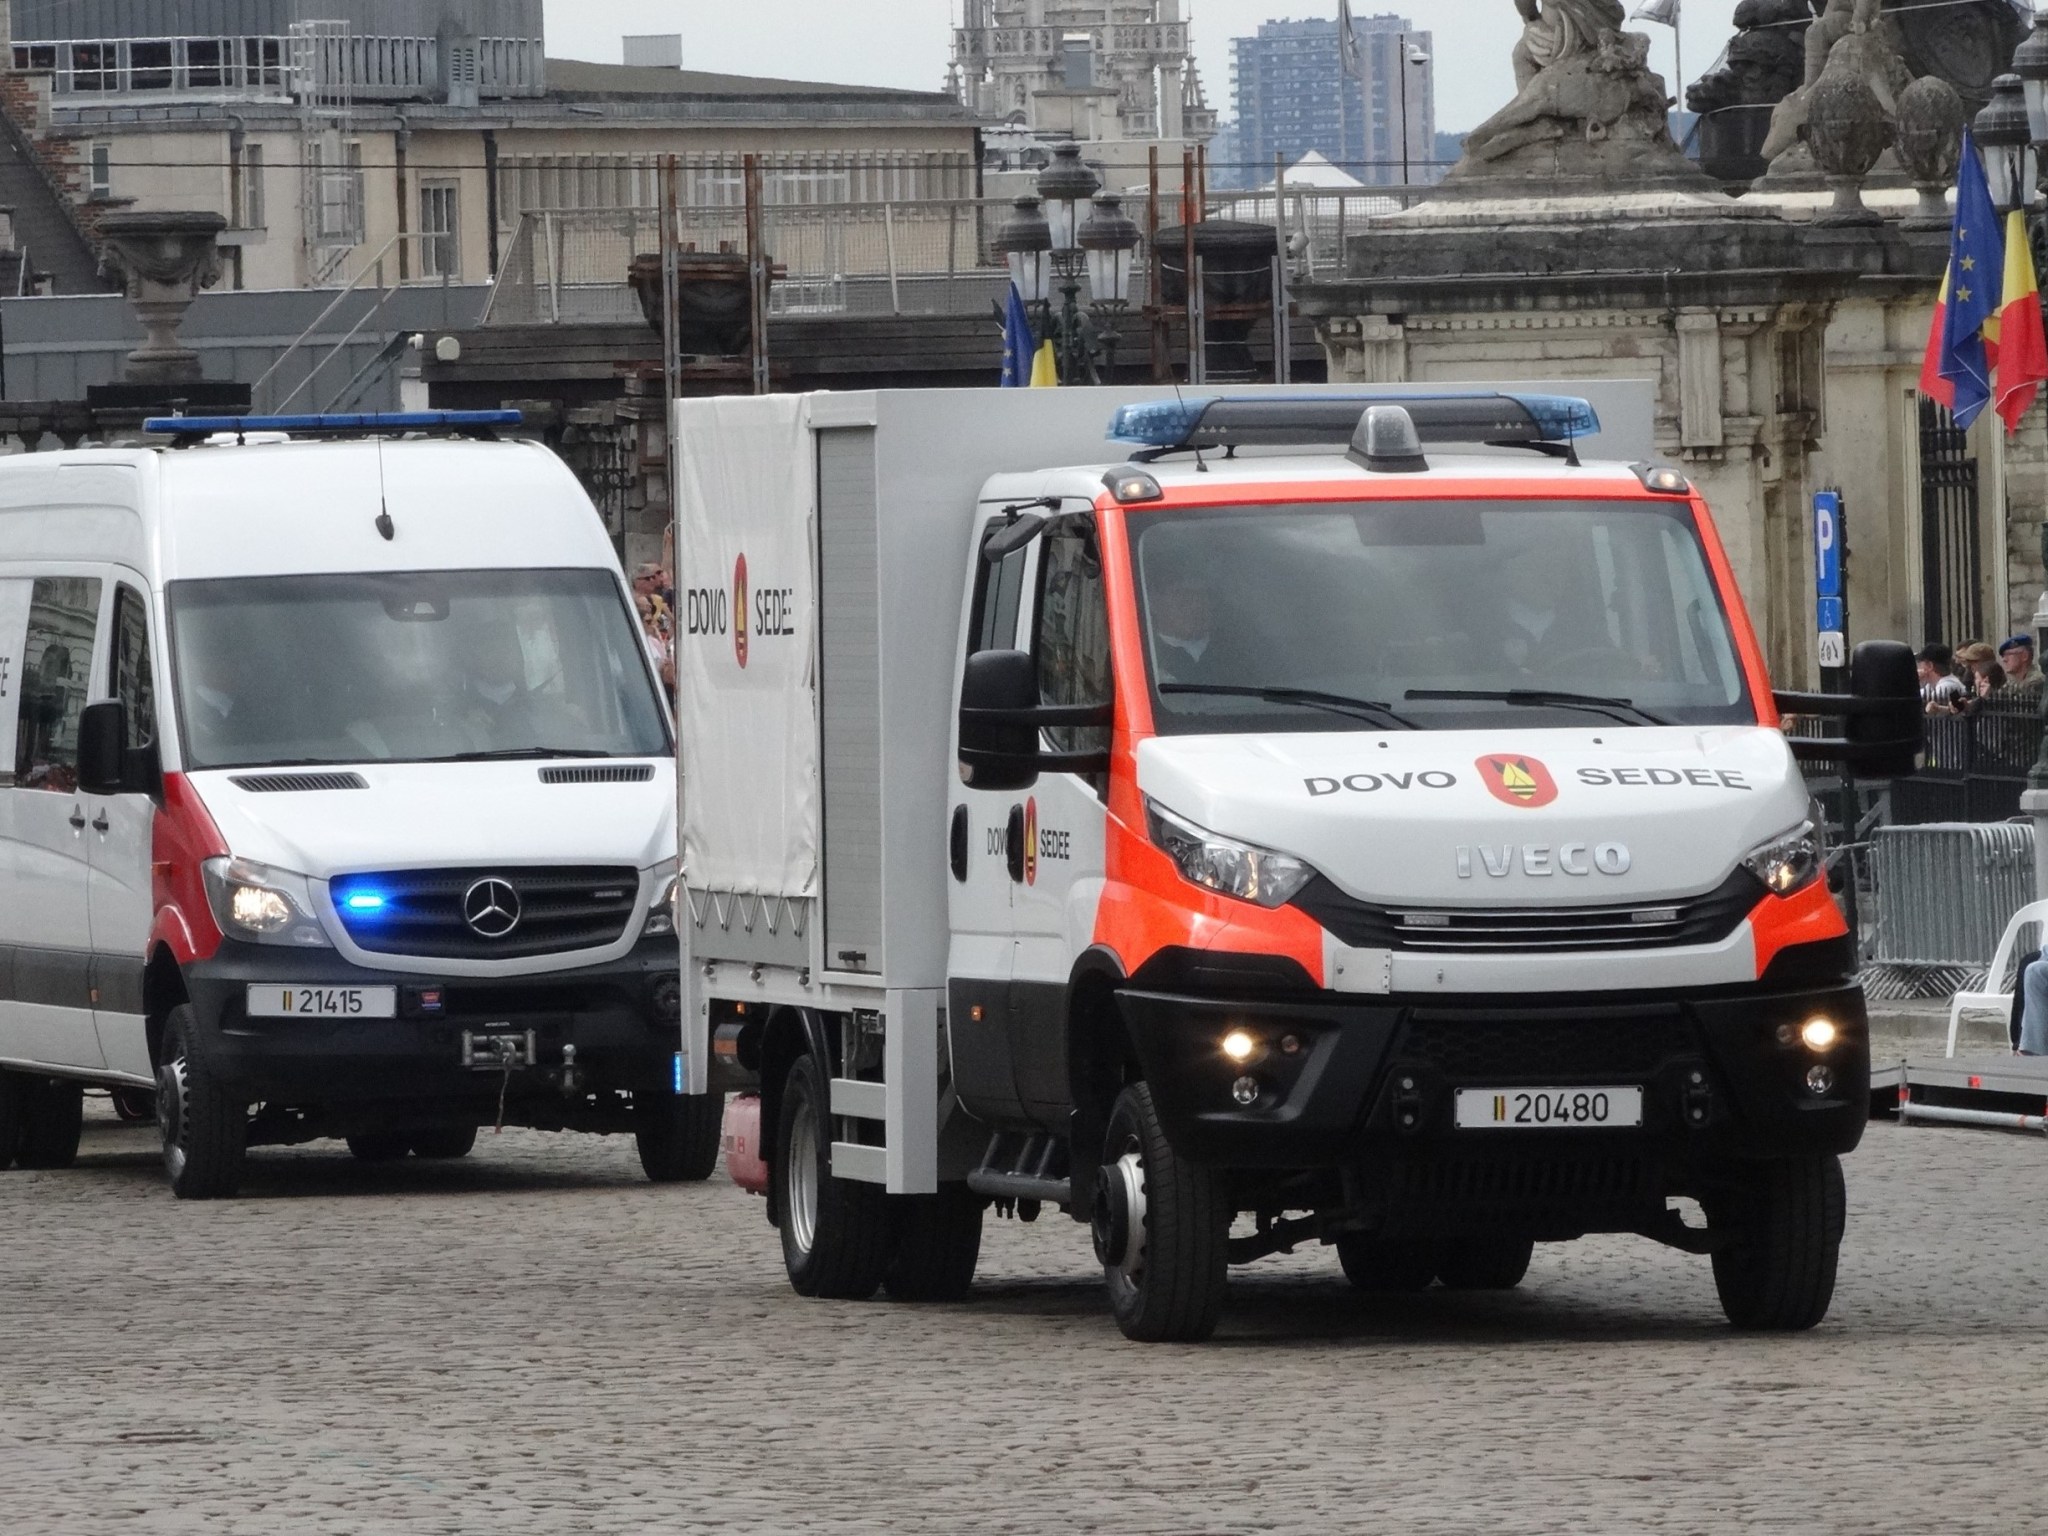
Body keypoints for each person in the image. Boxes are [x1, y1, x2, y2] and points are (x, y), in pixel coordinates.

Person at [1917, 643, 1967, 714]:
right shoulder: (1932, 685)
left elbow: (1915, 699)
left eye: (1920, 665)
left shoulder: (1948, 686)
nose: (1918, 669)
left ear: (1930, 666)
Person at [2000, 635, 2045, 701]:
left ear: (2025, 656)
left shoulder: (2036, 682)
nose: (2004, 659)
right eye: (2003, 655)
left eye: (2009, 654)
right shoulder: (2012, 682)